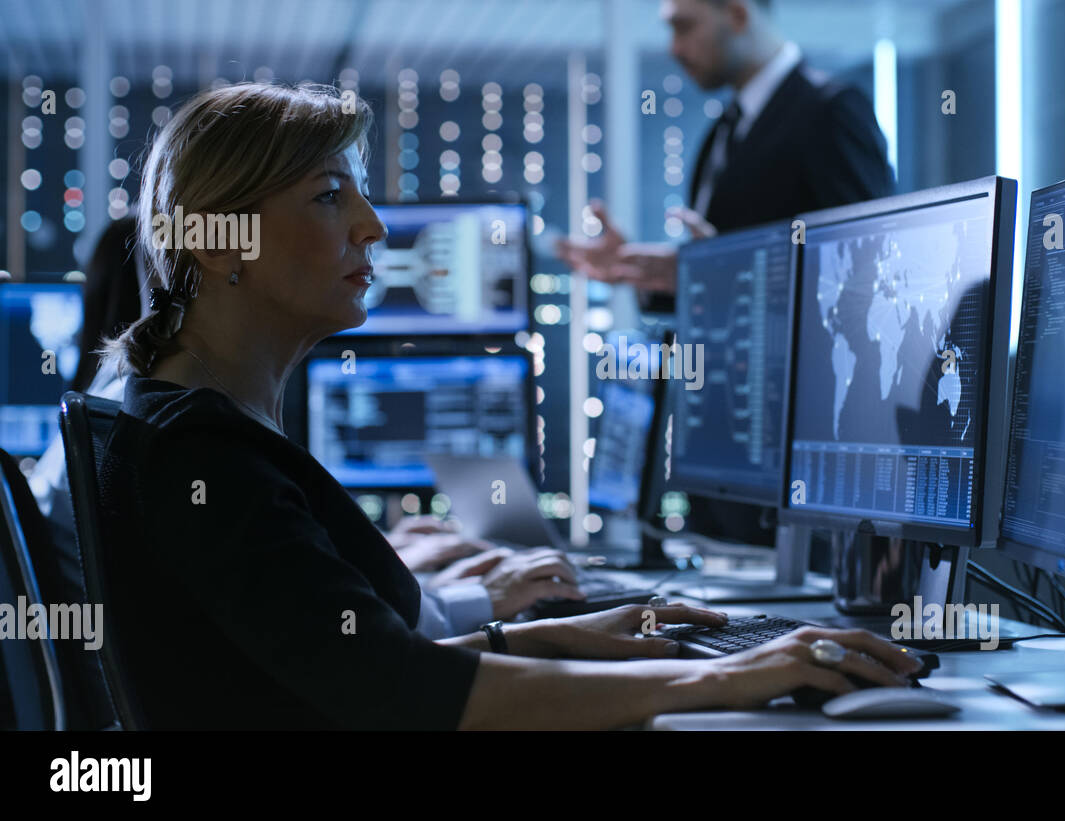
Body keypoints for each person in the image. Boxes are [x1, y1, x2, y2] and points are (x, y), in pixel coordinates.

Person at [90, 81, 921, 730]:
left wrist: (552, 633)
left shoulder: (187, 426)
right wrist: (723, 675)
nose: (374, 225)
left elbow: (345, 655)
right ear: (216, 239)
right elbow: (403, 696)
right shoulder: (205, 462)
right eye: (329, 195)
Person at [25, 218, 573, 647]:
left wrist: (353, 555)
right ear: (219, 257)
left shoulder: (126, 402)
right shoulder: (192, 437)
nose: (375, 227)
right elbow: (371, 666)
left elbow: (283, 595)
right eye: (327, 197)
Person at [555, 0, 894, 311]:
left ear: (737, 14)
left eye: (684, 27)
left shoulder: (831, 111)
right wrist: (641, 270)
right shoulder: (725, 128)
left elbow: (867, 268)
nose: (673, 48)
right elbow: (718, 290)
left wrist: (725, 270)